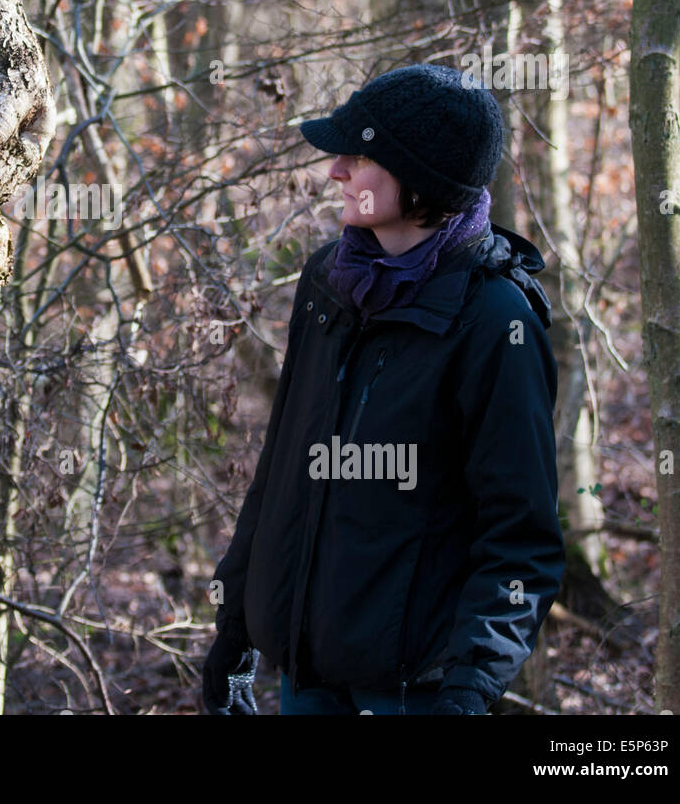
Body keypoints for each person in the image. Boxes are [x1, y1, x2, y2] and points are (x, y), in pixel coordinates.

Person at [201, 63, 566, 715]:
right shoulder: (328, 283)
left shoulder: (496, 323)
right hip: (306, 680)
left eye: (360, 155)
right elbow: (281, 472)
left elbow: (521, 538)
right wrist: (234, 627)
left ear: (420, 180)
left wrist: (469, 689)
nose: (336, 170)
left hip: (414, 694)